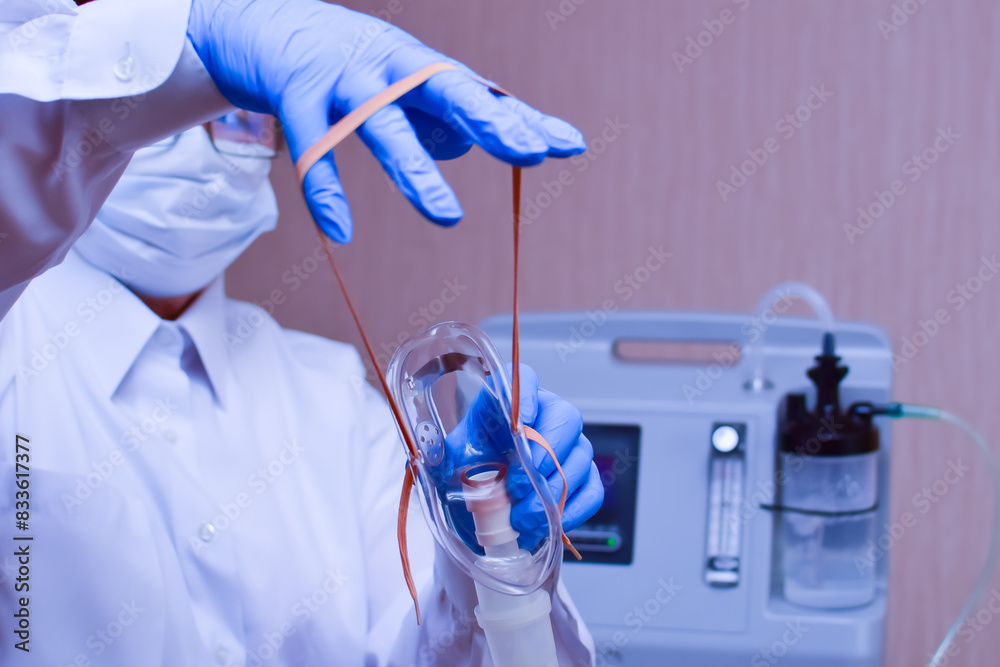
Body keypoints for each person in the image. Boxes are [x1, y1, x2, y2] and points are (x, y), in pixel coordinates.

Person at [0, 2, 602, 665]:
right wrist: (185, 57)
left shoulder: (332, 397)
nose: (200, 128)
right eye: (178, 94)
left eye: (236, 105)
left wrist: (481, 565)